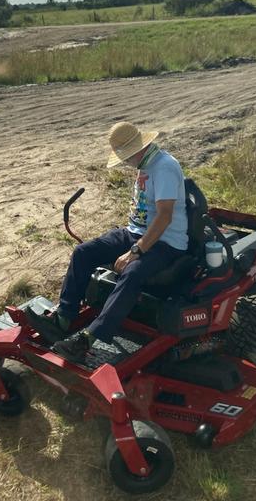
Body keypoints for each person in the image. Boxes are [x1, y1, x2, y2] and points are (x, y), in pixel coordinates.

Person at [27, 121, 188, 364]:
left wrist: (135, 251)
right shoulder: (145, 165)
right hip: (137, 232)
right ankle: (63, 318)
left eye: (124, 155)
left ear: (137, 148)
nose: (123, 161)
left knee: (132, 273)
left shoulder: (164, 167)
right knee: (84, 252)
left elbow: (164, 216)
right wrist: (133, 241)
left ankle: (88, 340)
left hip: (166, 241)